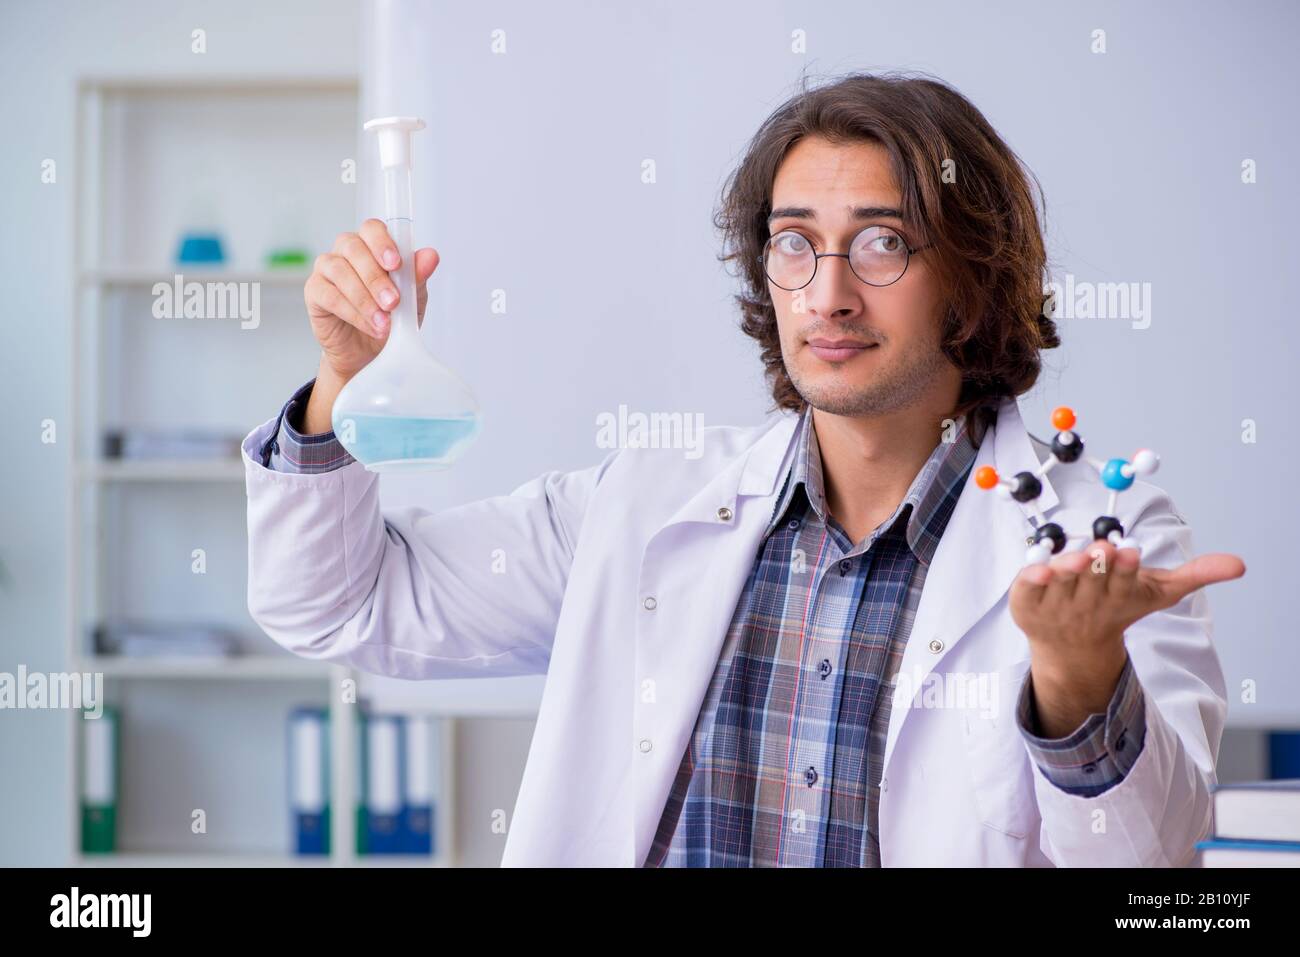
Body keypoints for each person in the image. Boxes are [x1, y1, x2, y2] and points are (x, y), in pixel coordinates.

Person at [243, 72, 1245, 867]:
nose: (829, 292)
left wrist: (1076, 679)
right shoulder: (637, 510)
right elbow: (338, 604)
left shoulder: (1099, 544)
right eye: (794, 245)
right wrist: (343, 383)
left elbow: (1153, 872)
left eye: (884, 243)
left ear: (975, 290)